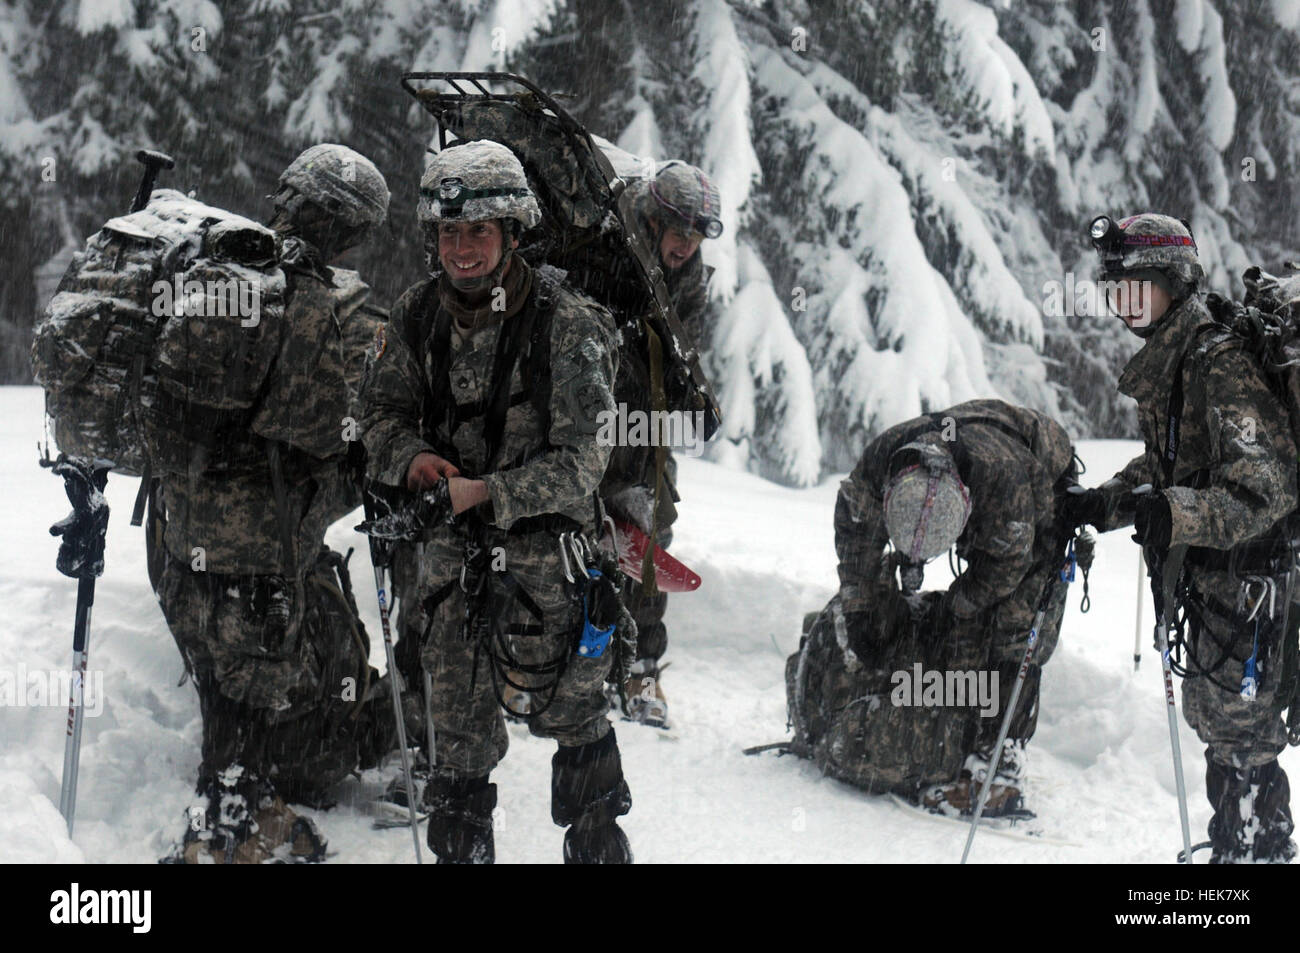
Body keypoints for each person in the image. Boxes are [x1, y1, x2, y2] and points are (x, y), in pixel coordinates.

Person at [359, 139, 632, 864]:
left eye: (478, 231)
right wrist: (413, 458)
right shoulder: (416, 314)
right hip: (450, 560)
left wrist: (493, 491)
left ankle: (598, 846)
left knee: (578, 725)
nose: (463, 249)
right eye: (449, 233)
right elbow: (378, 420)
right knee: (456, 741)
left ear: (512, 231)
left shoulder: (566, 323)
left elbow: (584, 461)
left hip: (551, 561)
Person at [157, 143, 392, 863]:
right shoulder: (327, 308)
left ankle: (246, 808)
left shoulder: (209, 268)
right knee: (255, 694)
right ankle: (230, 828)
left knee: (230, 683)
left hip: (177, 531)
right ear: (350, 230)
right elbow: (329, 428)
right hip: (262, 543)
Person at [1064, 212, 1299, 863]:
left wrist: (1178, 513)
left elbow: (1268, 486)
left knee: (1243, 734)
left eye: (1138, 287)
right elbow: (1173, 468)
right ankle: (1237, 844)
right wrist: (1103, 503)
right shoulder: (1172, 359)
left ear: (1176, 281)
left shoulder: (1215, 363)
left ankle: (1260, 853)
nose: (1125, 304)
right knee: (1220, 726)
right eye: (1116, 291)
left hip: (1247, 583)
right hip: (1212, 582)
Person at [826, 398, 1077, 814]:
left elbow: (1005, 568)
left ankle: (998, 772)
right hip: (973, 449)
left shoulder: (1004, 488)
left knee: (1014, 627)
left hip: (1039, 481)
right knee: (879, 610)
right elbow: (856, 545)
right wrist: (861, 607)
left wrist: (958, 606)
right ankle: (956, 722)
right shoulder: (876, 466)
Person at [555, 159, 722, 727]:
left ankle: (640, 668)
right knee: (569, 534)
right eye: (680, 232)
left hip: (645, 425)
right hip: (585, 415)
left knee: (648, 544)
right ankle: (558, 662)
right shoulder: (607, 245)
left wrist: (690, 394)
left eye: (697, 236)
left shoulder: (690, 277)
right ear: (654, 220)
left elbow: (686, 348)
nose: (687, 245)